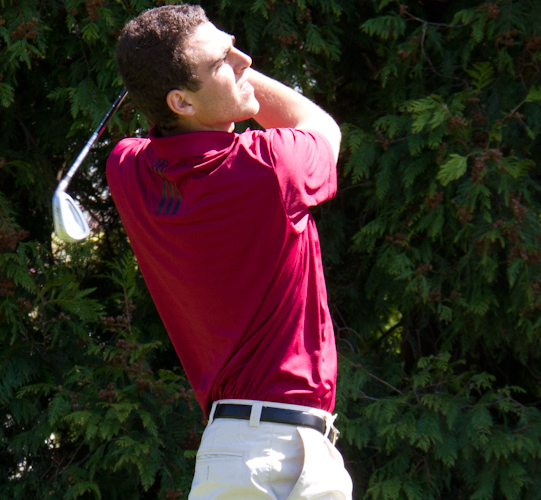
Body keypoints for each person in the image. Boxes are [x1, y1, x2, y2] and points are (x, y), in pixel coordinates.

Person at [107, 4, 352, 500]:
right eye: (223, 60)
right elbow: (321, 124)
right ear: (182, 102)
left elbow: (151, 138)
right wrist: (242, 84)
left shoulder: (125, 170)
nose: (245, 59)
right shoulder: (270, 169)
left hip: (232, 455)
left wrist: (203, 76)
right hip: (282, 458)